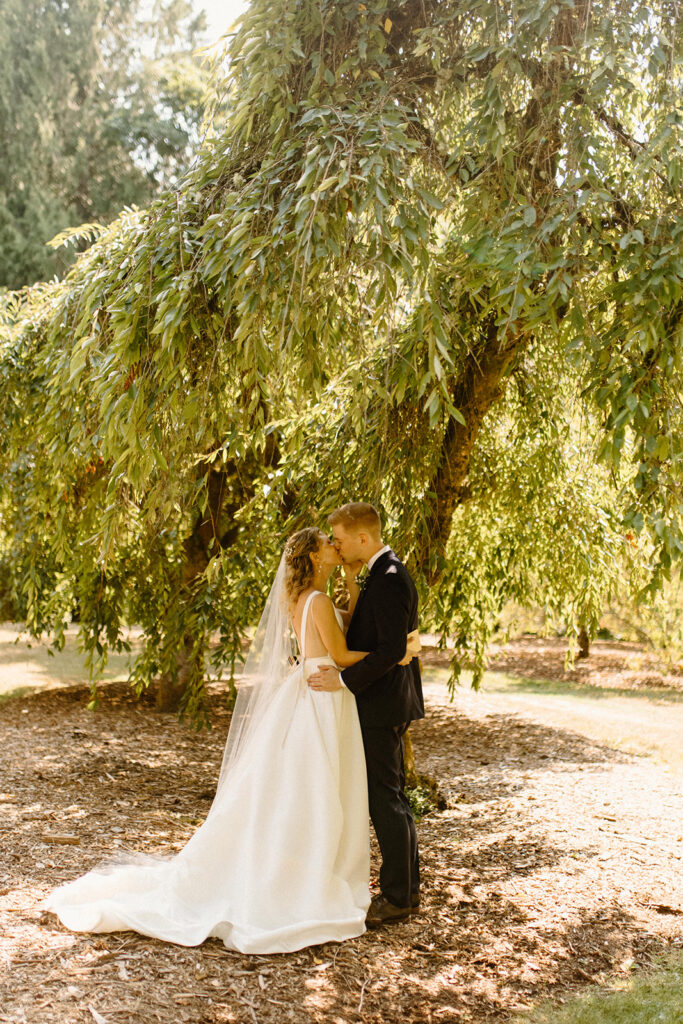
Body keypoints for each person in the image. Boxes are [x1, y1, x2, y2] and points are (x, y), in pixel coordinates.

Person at [44, 528, 377, 954]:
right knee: (317, 785)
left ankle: (297, 861)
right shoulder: (320, 601)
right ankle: (308, 869)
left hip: (304, 689)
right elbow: (344, 656)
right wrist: (396, 655)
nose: (336, 546)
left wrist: (350, 584)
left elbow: (336, 631)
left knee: (297, 786)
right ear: (313, 557)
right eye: (328, 543)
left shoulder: (299, 599)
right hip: (323, 695)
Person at [308, 502, 424, 928]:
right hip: (386, 699)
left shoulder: (391, 579)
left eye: (338, 538)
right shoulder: (380, 575)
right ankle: (406, 889)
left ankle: (396, 897)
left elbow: (392, 650)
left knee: (384, 800)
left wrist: (343, 681)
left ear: (362, 538)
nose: (335, 545)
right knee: (391, 798)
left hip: (383, 702)